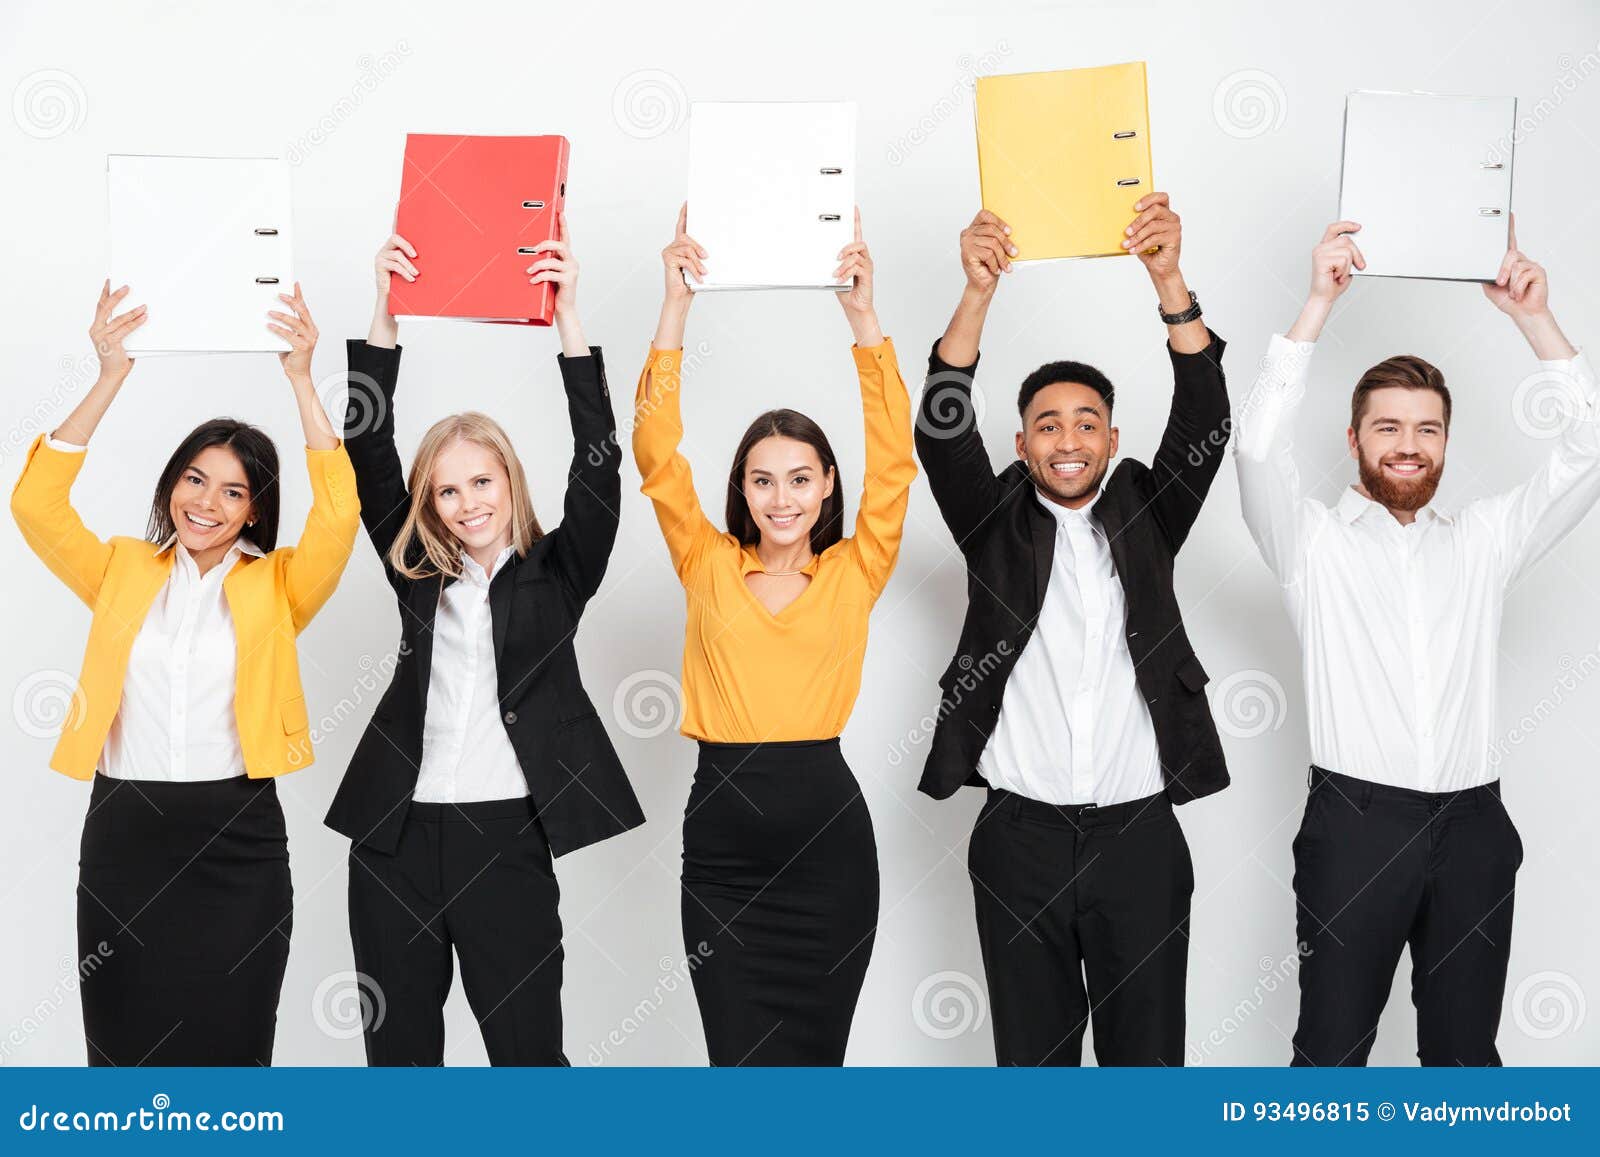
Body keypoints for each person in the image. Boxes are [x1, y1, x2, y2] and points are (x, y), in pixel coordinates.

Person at [1234, 218, 1598, 1066]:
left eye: (1427, 429)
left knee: (1465, 1062)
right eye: (1388, 427)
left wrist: (1533, 319)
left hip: (1475, 827)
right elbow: (1254, 446)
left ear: (1445, 443)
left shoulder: (1484, 540)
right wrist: (1318, 303)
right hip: (1355, 828)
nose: (1408, 445)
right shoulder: (1310, 542)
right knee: (1330, 1056)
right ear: (1354, 439)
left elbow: (1587, 450)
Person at [915, 195, 1230, 1066]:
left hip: (1140, 839)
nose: (1068, 439)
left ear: (1112, 438)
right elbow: (940, 431)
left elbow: (1205, 419)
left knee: (1147, 1067)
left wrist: (1169, 281)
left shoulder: (1149, 514)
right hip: (1021, 841)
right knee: (1034, 1072)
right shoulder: (992, 523)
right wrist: (978, 292)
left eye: (1086, 423)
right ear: (1021, 444)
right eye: (1047, 425)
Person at [324, 214, 645, 1066]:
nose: (468, 503)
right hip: (392, 840)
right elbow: (367, 447)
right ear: (429, 505)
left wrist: (569, 319)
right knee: (400, 1065)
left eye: (481, 481)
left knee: (528, 1059)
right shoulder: (415, 570)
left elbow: (599, 461)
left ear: (509, 479)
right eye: (447, 491)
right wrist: (385, 313)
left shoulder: (559, 570)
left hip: (505, 838)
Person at [10, 280, 359, 1065]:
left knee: (232, 1052)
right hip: (125, 836)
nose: (207, 502)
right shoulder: (122, 570)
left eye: (234, 491)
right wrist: (109, 375)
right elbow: (35, 505)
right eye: (195, 479)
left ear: (254, 510)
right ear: (173, 482)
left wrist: (301, 379)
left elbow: (339, 518)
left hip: (238, 839)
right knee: (122, 1054)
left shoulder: (278, 586)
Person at [632, 206, 915, 1065]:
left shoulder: (856, 568)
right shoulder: (707, 563)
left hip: (829, 850)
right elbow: (655, 453)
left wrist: (864, 322)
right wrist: (675, 307)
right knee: (739, 1069)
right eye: (762, 480)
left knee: (816, 1073)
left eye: (798, 478)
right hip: (725, 850)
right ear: (743, 489)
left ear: (827, 484)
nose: (781, 498)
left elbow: (895, 462)